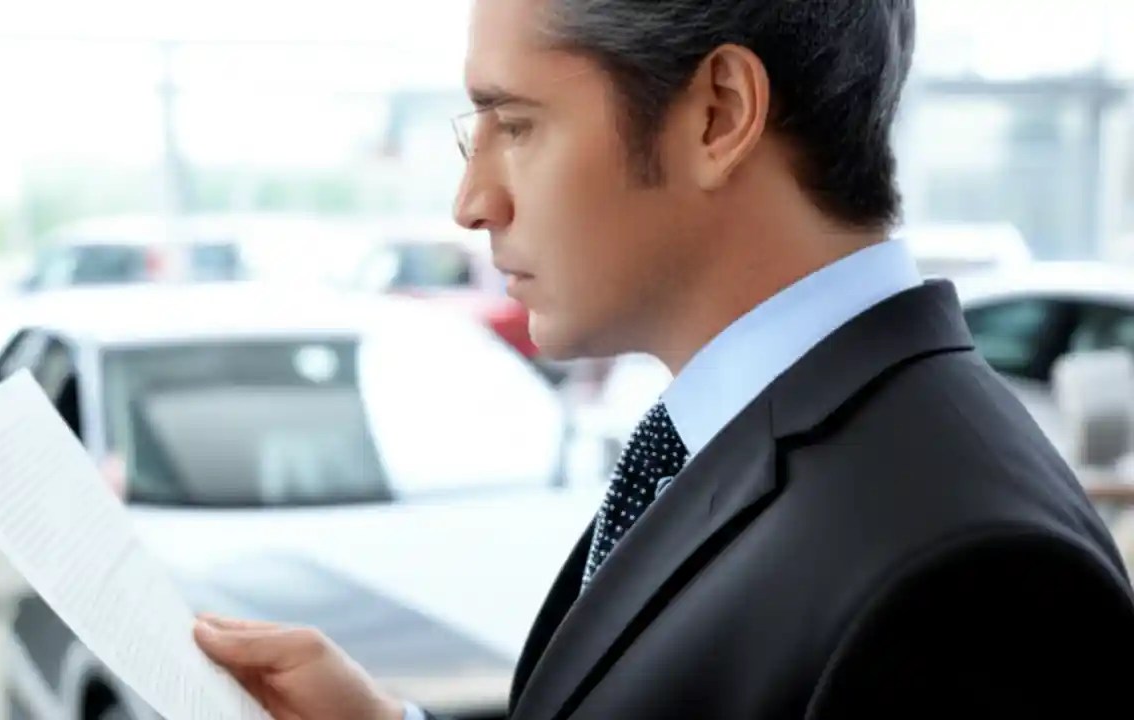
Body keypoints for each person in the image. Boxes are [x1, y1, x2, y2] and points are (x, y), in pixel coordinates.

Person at [195, 0, 1134, 717]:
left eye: (515, 125)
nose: (471, 200)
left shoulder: (974, 580)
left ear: (719, 114)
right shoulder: (769, 437)